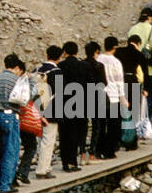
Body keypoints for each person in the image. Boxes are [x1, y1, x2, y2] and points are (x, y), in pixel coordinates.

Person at [0, 55, 25, 192]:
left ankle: (1, 180)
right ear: (16, 67)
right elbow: (23, 100)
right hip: (10, 116)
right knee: (10, 151)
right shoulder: (17, 80)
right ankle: (5, 185)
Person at [55, 42, 91, 173]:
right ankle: (73, 161)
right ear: (77, 52)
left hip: (64, 104)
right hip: (80, 104)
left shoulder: (60, 66)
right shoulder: (84, 66)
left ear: (65, 52)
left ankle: (65, 162)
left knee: (64, 134)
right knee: (77, 134)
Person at [33, 48, 62, 177]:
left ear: (47, 55)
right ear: (59, 57)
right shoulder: (57, 72)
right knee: (48, 141)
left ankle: (42, 165)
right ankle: (43, 169)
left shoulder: (37, 70)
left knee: (41, 141)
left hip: (36, 110)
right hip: (51, 111)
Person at [94, 39, 125, 159]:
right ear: (115, 47)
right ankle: (109, 151)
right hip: (113, 96)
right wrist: (123, 98)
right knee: (114, 126)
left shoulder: (98, 59)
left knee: (100, 125)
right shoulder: (116, 62)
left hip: (100, 94)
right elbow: (119, 82)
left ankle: (98, 149)